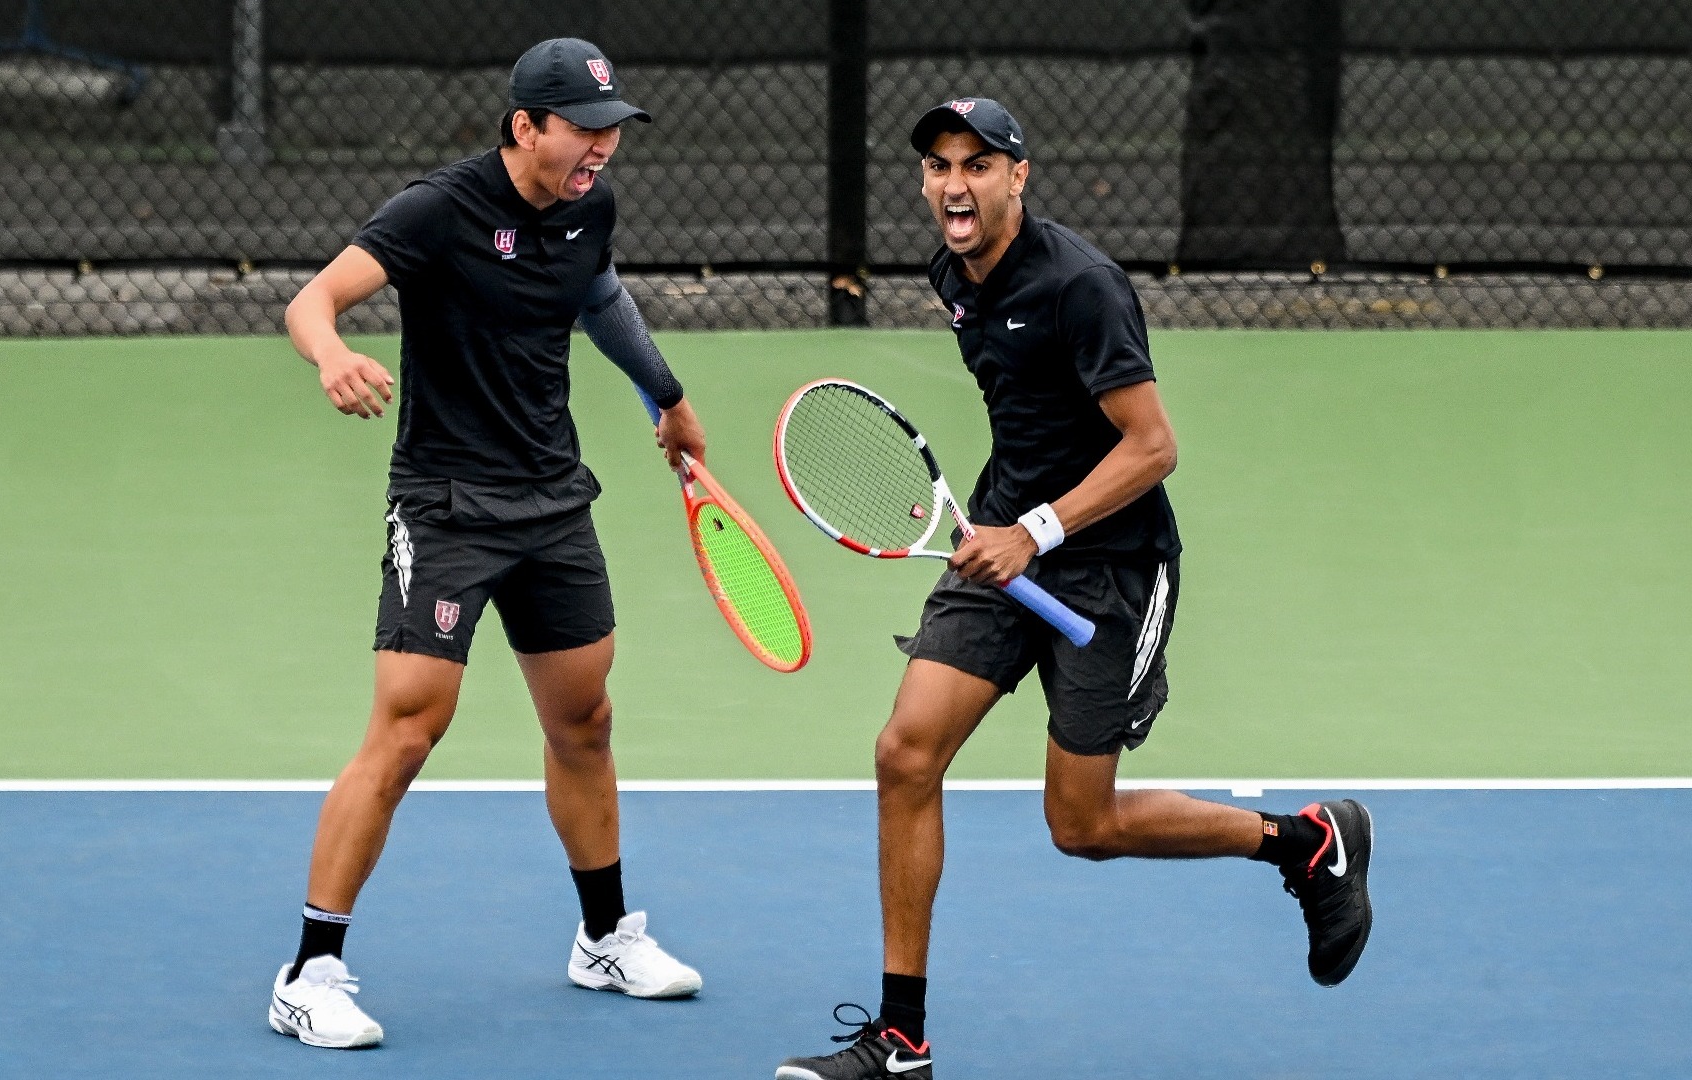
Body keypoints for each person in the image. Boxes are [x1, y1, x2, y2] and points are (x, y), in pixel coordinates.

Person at [776, 98, 1374, 1080]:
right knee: (904, 752)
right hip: (998, 537)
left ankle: (1302, 844)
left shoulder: (1080, 286)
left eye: (977, 165)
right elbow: (1029, 414)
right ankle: (901, 1041)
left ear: (1020, 175)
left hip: (1113, 565)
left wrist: (1038, 532)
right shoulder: (953, 275)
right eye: (939, 166)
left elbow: (1153, 447)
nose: (955, 185)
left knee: (1081, 825)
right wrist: (1001, 531)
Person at [266, 38, 708, 1050]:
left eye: (612, 133)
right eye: (585, 131)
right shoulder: (438, 211)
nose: (602, 149)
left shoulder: (590, 207)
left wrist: (669, 396)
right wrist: (332, 354)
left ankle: (603, 938)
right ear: (525, 127)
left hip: (553, 500)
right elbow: (313, 300)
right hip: (448, 505)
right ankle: (310, 970)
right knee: (410, 727)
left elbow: (596, 294)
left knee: (585, 720)